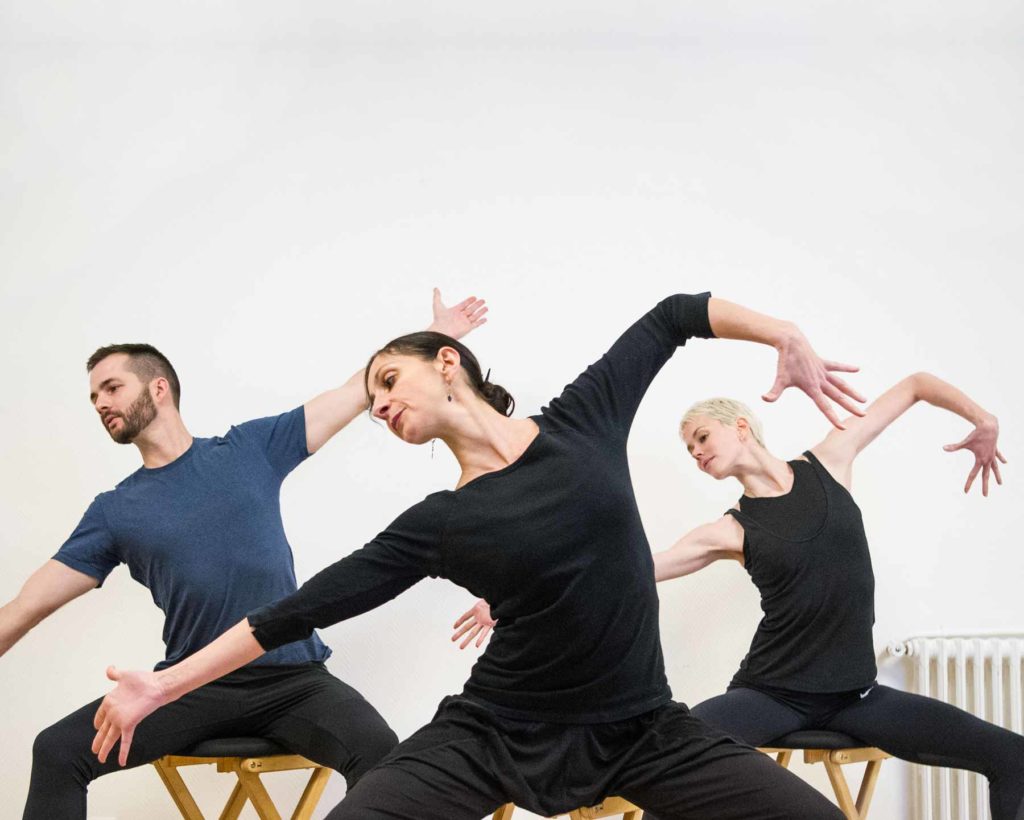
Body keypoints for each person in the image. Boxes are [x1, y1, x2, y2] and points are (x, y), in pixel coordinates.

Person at [91, 291, 865, 820]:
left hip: (643, 728)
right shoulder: (441, 522)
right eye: (374, 397)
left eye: (391, 379)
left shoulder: (581, 423)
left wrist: (785, 336)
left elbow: (672, 316)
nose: (382, 403)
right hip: (495, 729)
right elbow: (293, 612)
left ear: (449, 362)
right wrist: (162, 686)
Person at [2, 289, 487, 819]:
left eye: (112, 387)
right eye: (94, 396)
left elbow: (355, 389)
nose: (101, 403)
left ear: (158, 387)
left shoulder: (250, 448)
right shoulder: (115, 510)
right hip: (187, 686)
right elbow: (28, 604)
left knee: (383, 758)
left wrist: (439, 339)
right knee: (56, 749)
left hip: (292, 679)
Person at [649, 382, 1021, 819]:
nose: (695, 452)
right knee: (670, 764)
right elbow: (641, 572)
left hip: (857, 696)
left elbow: (916, 385)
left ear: (741, 427)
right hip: (769, 694)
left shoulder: (829, 462)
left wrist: (983, 418)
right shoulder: (731, 530)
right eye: (689, 447)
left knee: (1012, 755)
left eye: (702, 437)